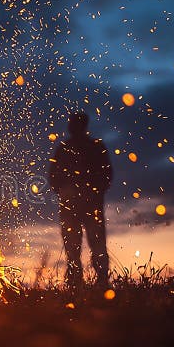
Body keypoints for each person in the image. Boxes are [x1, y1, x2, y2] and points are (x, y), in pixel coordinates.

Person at [48, 112, 112, 289]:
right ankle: (81, 283)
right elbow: (53, 177)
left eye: (73, 123)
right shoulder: (71, 148)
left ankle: (98, 283)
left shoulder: (92, 147)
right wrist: (66, 192)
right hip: (77, 205)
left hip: (86, 205)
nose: (71, 127)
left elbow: (106, 176)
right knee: (75, 248)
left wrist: (90, 192)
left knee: (92, 245)